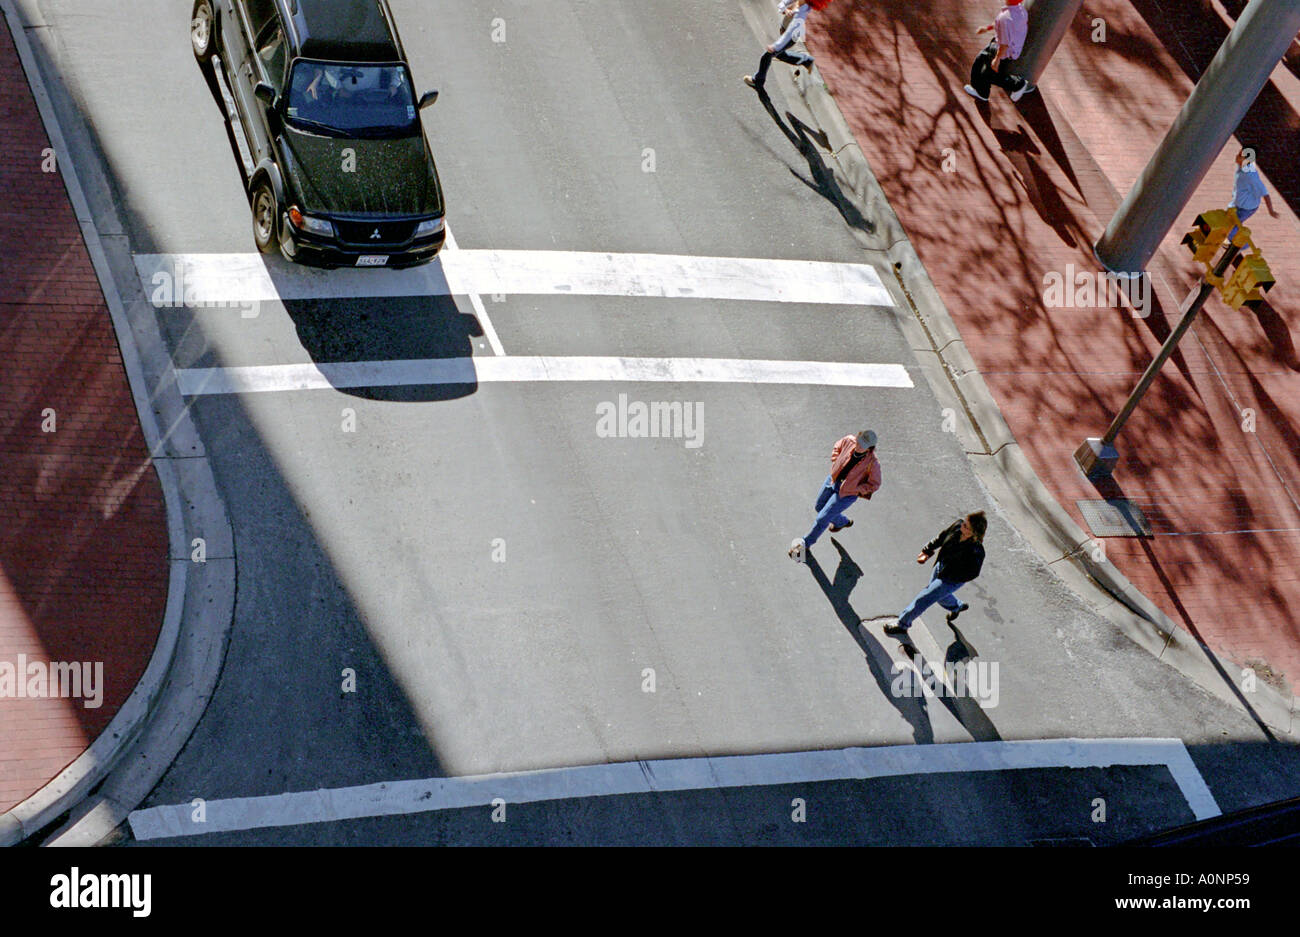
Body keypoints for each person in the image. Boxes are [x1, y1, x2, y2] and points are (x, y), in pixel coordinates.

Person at [885, 512, 987, 635]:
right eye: (964, 522)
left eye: (966, 526)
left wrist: (949, 579)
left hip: (950, 580)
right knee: (938, 596)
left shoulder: (976, 551)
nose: (962, 526)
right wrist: (927, 549)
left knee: (925, 598)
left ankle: (902, 624)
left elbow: (972, 573)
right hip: (940, 566)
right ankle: (957, 606)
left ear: (973, 533)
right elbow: (942, 537)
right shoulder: (957, 527)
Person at [789, 430, 882, 563]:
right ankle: (842, 522)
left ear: (870, 449)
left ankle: (804, 544)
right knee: (819, 507)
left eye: (864, 446)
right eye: (859, 442)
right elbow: (837, 446)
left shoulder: (873, 464)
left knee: (822, 518)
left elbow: (875, 484)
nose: (859, 446)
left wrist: (857, 489)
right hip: (833, 480)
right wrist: (835, 461)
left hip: (847, 494)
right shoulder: (849, 440)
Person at [964, 0, 1033, 103]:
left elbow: (1004, 44)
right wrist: (987, 28)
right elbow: (1000, 24)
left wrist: (997, 59)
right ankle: (981, 91)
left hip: (1002, 49)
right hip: (1010, 48)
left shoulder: (1005, 18)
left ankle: (1017, 84)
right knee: (981, 62)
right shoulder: (1020, 10)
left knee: (987, 71)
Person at [744, 0, 815, 92]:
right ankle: (806, 60)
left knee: (766, 57)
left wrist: (776, 46)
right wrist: (785, 10)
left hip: (789, 38)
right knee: (780, 55)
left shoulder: (802, 10)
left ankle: (757, 80)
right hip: (784, 30)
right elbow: (781, 5)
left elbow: (789, 33)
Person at [1228, 147, 1278, 236]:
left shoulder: (1251, 176)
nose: (1236, 156)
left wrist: (1271, 211)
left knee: (1231, 228)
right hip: (1238, 202)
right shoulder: (1241, 166)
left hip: (1246, 208)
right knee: (1227, 221)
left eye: (1240, 155)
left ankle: (1241, 246)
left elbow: (1265, 194)